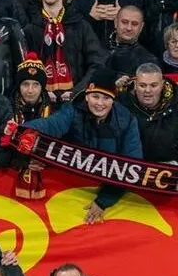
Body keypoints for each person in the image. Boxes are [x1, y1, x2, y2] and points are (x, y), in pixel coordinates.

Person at [23, 69, 142, 224]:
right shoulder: (72, 110)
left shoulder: (127, 121)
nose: (99, 103)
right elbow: (52, 124)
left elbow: (132, 167)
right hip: (75, 188)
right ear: (87, 96)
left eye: (106, 98)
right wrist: (22, 128)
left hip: (110, 190)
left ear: (113, 100)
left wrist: (104, 201)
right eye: (95, 96)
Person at [23, 0, 105, 106]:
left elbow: (97, 63)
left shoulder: (81, 26)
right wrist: (42, 92)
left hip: (78, 102)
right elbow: (23, 69)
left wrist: (77, 91)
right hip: (41, 103)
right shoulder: (30, 30)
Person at [120, 63, 178, 162]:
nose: (147, 90)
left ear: (162, 84)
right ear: (135, 85)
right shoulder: (121, 105)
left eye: (153, 85)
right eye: (142, 85)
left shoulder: (176, 103)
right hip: (132, 169)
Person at [104, 7, 159, 85]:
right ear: (115, 22)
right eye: (124, 22)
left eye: (134, 24)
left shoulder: (148, 60)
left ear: (141, 27)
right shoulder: (96, 47)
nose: (129, 28)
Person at [11, 53, 53, 124]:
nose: (30, 90)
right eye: (25, 84)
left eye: (36, 85)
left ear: (42, 88)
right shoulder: (7, 110)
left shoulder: (54, 112)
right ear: (19, 87)